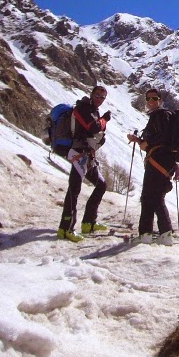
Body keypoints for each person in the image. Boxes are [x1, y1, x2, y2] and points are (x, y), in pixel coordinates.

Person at [57, 85, 112, 242]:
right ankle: (65, 228)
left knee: (101, 185)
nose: (100, 99)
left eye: (103, 97)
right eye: (97, 95)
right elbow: (93, 127)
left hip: (87, 155)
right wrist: (105, 120)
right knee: (74, 190)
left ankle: (88, 222)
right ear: (91, 94)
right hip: (78, 153)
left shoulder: (93, 110)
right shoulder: (82, 108)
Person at [127, 89, 179, 245]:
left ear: (160, 100)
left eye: (154, 98)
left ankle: (162, 234)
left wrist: (145, 143)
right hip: (163, 162)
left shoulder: (160, 115)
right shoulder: (162, 116)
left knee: (153, 197)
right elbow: (159, 139)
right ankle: (148, 233)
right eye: (148, 98)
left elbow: (160, 139)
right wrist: (139, 140)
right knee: (151, 196)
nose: (151, 101)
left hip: (158, 162)